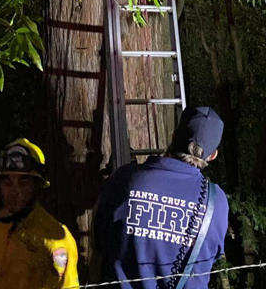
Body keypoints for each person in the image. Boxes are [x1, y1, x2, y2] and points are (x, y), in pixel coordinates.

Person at [93, 106, 229, 289]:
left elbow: (99, 239)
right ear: (212, 156)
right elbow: (212, 257)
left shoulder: (126, 179)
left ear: (173, 136)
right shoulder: (217, 203)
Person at [0, 138, 79, 289]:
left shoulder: (55, 237)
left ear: (37, 186)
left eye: (23, 183)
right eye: (7, 183)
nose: (14, 191)